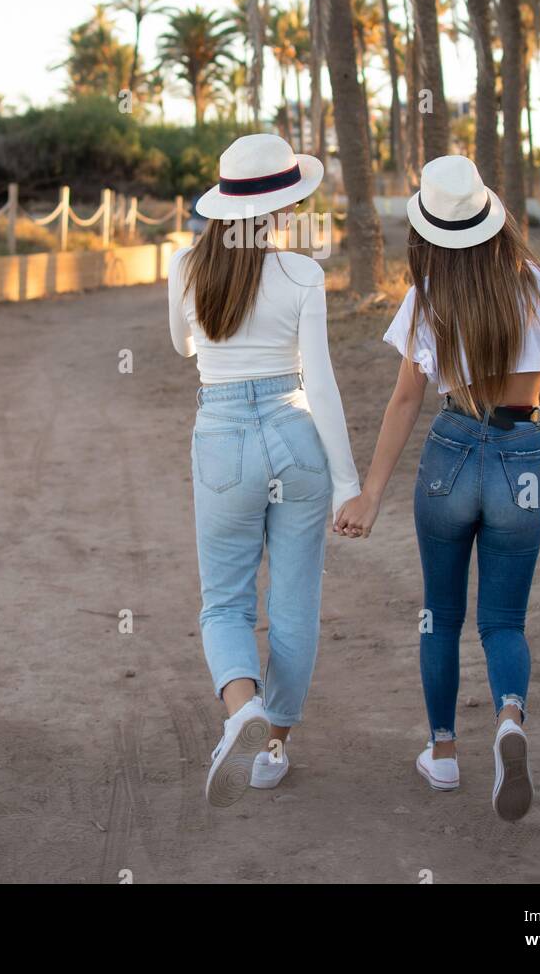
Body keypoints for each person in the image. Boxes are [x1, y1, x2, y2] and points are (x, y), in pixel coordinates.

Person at [334, 155, 540, 822]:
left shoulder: (427, 298)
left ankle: (443, 754)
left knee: (438, 615)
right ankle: (508, 720)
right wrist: (537, 458)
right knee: (504, 621)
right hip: (518, 451)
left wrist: (369, 495)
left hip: (449, 454)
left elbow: (404, 401)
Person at [168, 133, 359, 807]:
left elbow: (181, 343)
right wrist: (348, 482)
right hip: (294, 431)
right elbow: (323, 383)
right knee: (294, 605)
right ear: (281, 208)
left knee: (224, 600)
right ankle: (274, 745)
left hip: (222, 438)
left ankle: (239, 703)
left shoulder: (185, 267)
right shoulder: (304, 275)